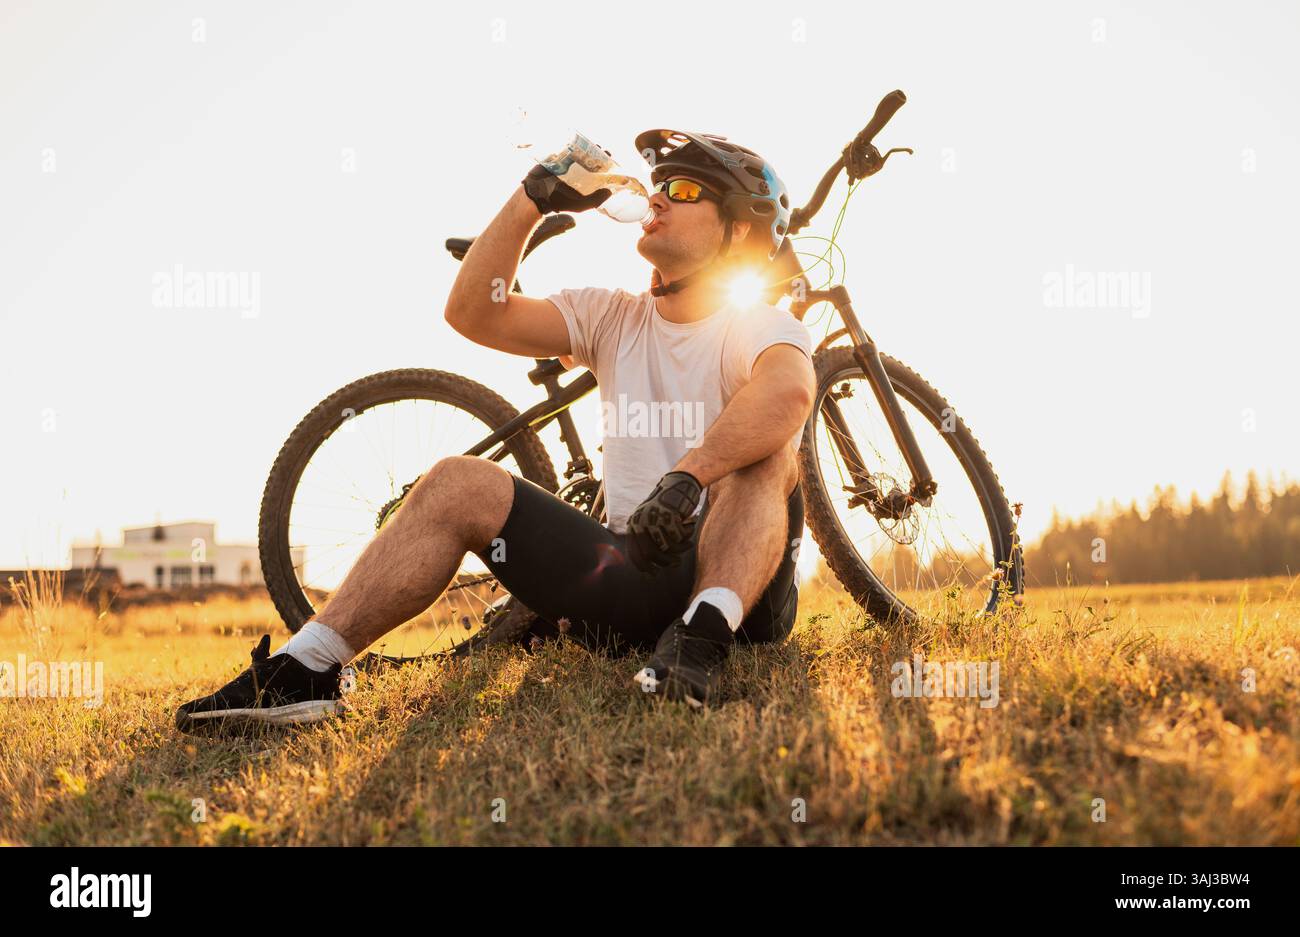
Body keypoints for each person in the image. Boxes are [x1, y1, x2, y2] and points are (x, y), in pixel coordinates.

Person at [176, 128, 815, 734]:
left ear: (738, 231)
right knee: (458, 480)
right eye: (657, 184)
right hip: (635, 584)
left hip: (744, 601)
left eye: (682, 190)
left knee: (770, 456)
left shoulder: (756, 323)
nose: (656, 197)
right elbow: (473, 312)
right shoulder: (612, 317)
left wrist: (689, 476)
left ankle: (703, 633)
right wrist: (531, 199)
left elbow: (787, 392)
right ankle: (306, 669)